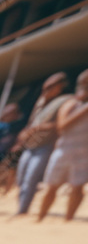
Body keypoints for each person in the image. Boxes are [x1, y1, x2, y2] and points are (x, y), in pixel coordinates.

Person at [15, 72, 70, 215]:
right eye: (45, 87)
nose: (46, 90)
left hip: (45, 146)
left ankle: (22, 210)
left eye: (50, 87)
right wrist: (25, 132)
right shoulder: (41, 101)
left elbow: (62, 124)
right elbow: (32, 121)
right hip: (29, 146)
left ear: (60, 87)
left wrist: (39, 128)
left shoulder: (65, 101)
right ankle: (20, 207)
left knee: (31, 179)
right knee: (21, 179)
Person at [38, 69, 88, 222]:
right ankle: (40, 219)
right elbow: (62, 125)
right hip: (64, 150)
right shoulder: (72, 103)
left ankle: (68, 220)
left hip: (84, 153)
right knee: (52, 186)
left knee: (77, 187)